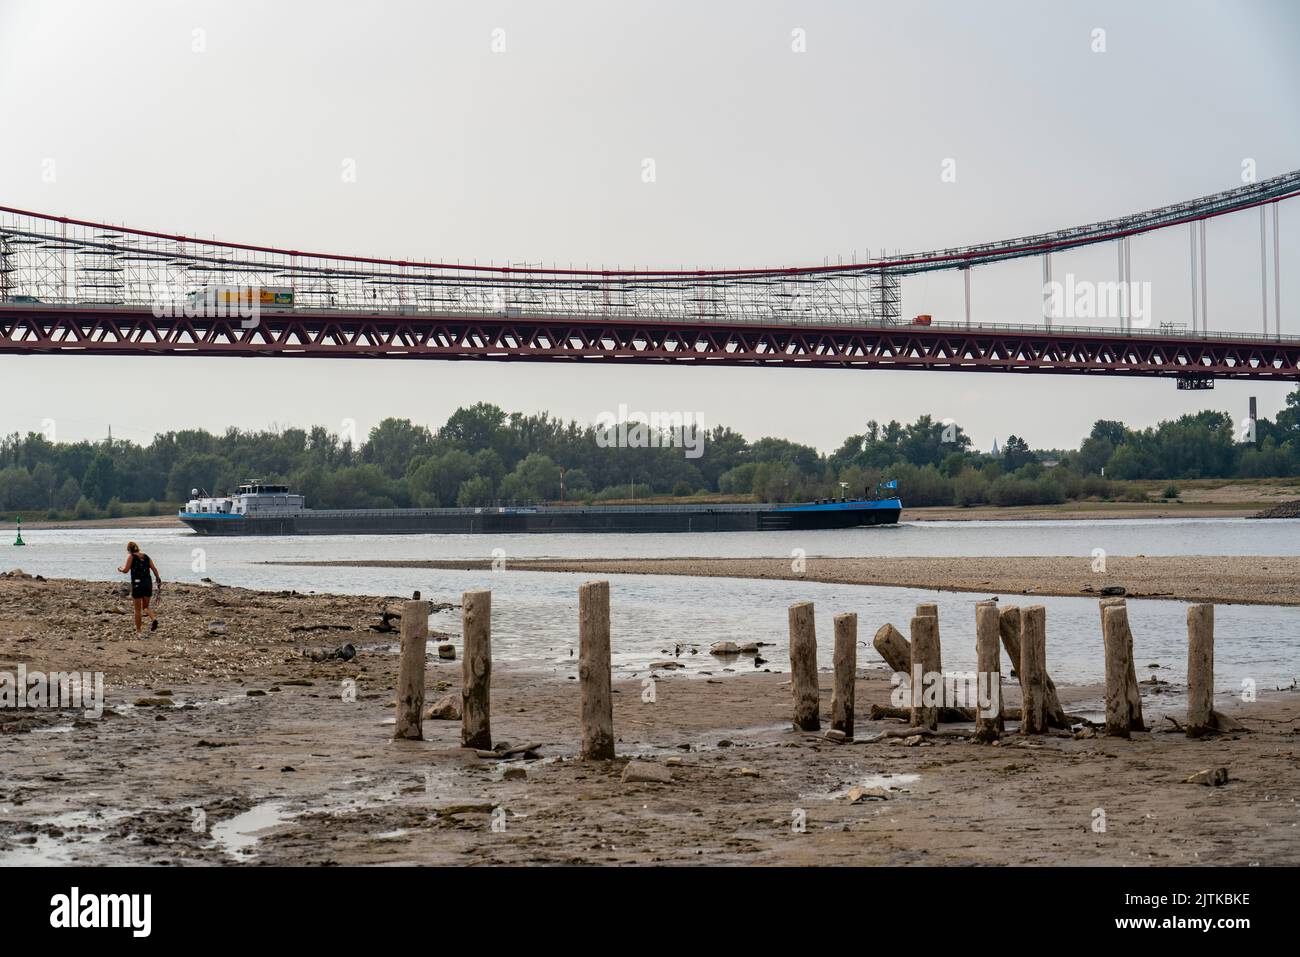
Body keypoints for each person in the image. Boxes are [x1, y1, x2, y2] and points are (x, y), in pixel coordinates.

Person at [118, 542, 162, 636]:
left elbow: (126, 570)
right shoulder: (146, 556)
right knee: (145, 607)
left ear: (129, 550)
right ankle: (153, 618)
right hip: (147, 584)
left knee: (137, 610)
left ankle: (138, 632)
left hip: (137, 584)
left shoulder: (131, 556)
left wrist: (120, 569)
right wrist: (158, 579)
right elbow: (154, 569)